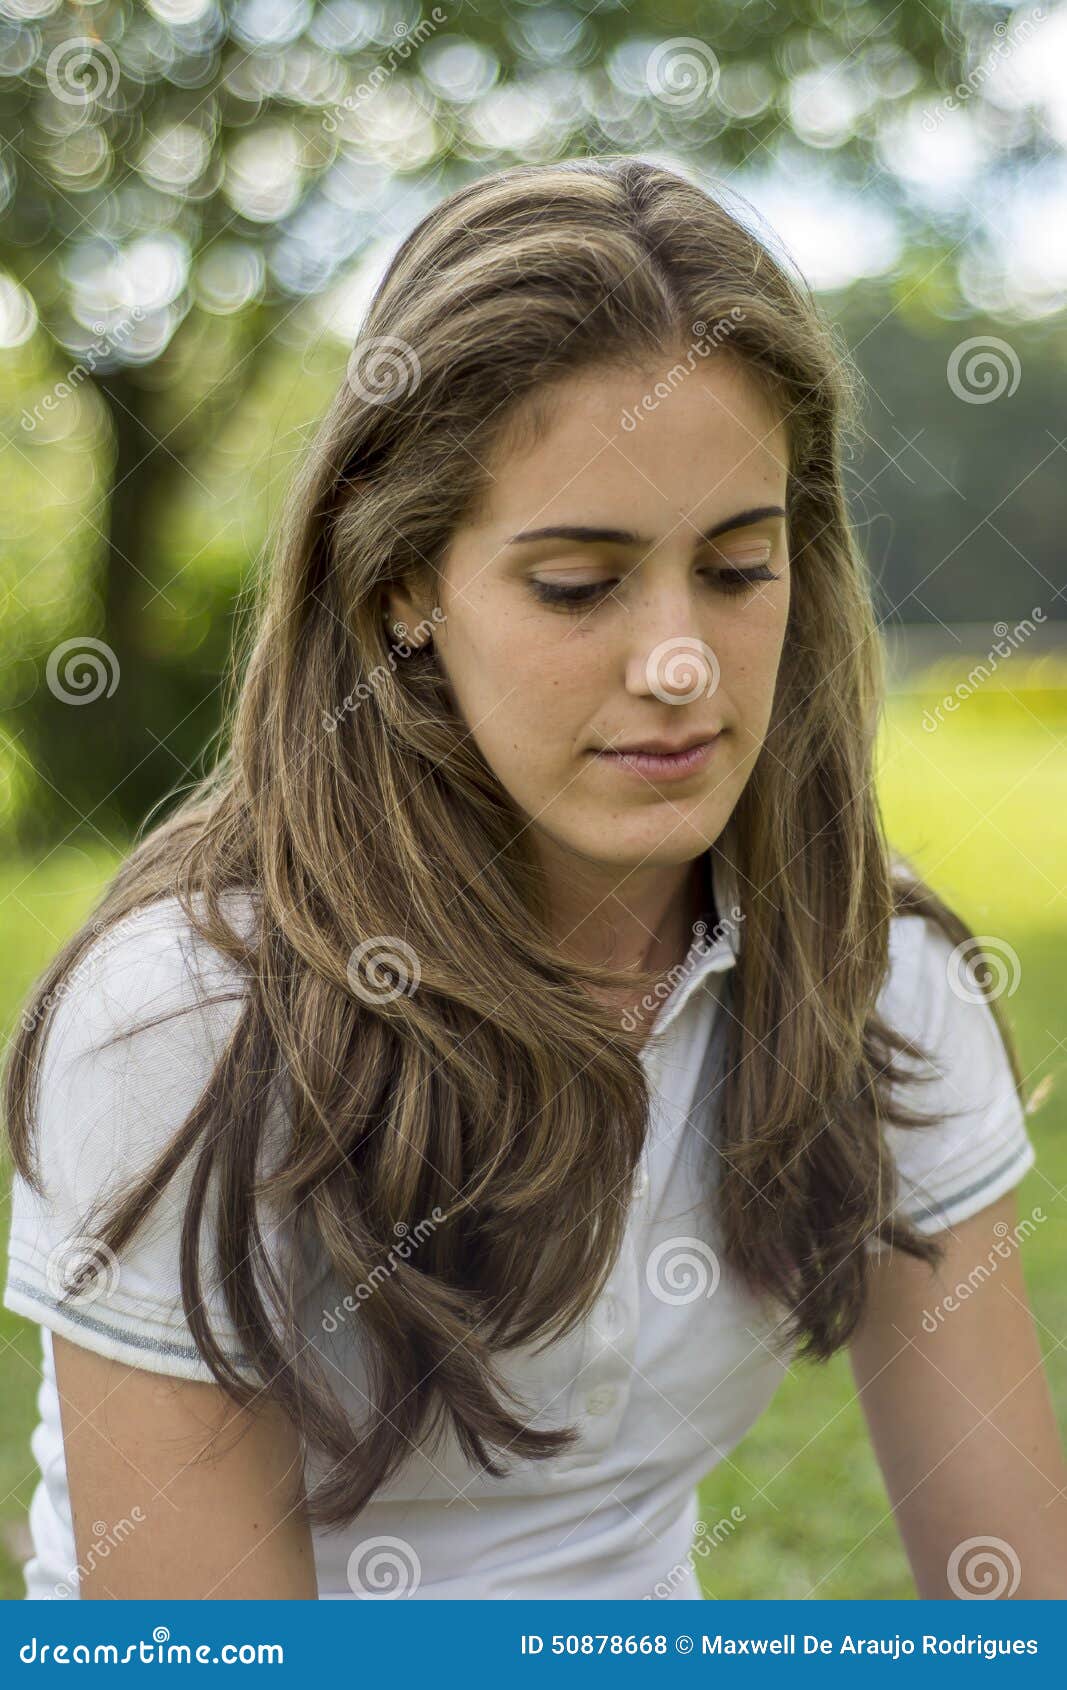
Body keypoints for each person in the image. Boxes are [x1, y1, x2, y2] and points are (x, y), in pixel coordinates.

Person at [4, 156, 1064, 1602]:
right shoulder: (179, 1019)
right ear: (400, 578)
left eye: (739, 566)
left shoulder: (880, 972)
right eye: (579, 582)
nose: (679, 663)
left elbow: (1019, 1603)